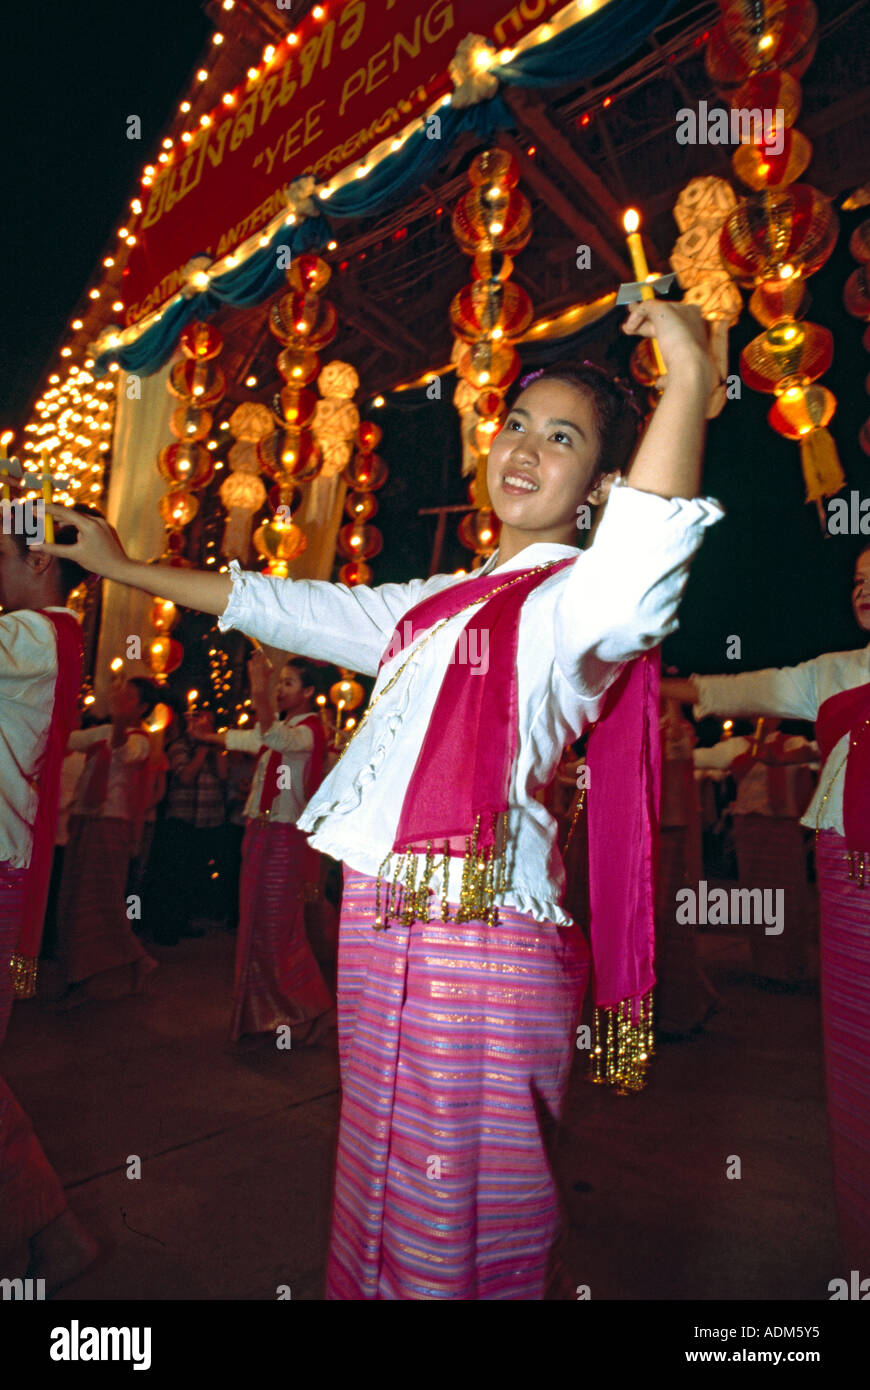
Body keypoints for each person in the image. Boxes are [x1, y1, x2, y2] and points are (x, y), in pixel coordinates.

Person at [37, 297, 721, 1300]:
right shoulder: (431, 605)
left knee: (458, 1216)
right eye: (517, 425)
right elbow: (282, 604)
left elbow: (645, 568)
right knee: (380, 1180)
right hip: (378, 918)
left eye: (562, 438)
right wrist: (124, 565)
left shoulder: (576, 600)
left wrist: (691, 380)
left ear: (601, 488)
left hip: (481, 934)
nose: (525, 448)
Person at [662, 543, 870, 1268]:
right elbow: (735, 688)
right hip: (849, 883)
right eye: (858, 581)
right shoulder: (833, 674)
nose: (865, 591)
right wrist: (658, 685)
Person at [0, 505, 98, 1289]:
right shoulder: (36, 639)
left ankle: (48, 1229)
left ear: (42, 563)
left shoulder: (37, 636)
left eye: (2, 552)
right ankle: (45, 1231)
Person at [197, 652, 335, 1043]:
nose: (280, 690)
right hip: (261, 833)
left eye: (288, 683)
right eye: (279, 683)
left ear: (309, 692)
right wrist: (209, 737)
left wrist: (258, 690)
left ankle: (313, 1009)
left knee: (278, 929)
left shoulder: (308, 732)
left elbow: (271, 736)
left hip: (285, 838)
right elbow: (256, 737)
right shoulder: (284, 727)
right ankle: (273, 1013)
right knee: (259, 924)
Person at [56, 676, 162, 1006]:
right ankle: (129, 964)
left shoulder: (141, 740)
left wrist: (117, 718)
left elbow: (122, 750)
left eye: (127, 697)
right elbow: (67, 739)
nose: (119, 699)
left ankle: (89, 979)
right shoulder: (101, 733)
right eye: (118, 694)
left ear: (142, 707)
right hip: (86, 822)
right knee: (76, 900)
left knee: (99, 902)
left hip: (112, 826)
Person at [694, 718, 817, 983]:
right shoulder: (739, 745)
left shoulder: (796, 742)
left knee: (787, 897)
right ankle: (764, 965)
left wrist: (808, 820)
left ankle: (789, 967)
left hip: (782, 824)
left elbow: (807, 778)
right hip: (749, 824)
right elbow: (710, 766)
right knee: (757, 896)